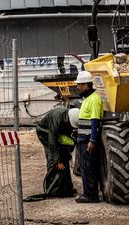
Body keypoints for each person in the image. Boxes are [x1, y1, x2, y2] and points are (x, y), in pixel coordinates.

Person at [25, 104, 76, 200]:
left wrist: (67, 151)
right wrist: (58, 161)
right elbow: (53, 142)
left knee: (64, 157)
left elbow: (66, 138)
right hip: (45, 132)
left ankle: (65, 188)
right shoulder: (57, 117)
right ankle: (52, 189)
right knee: (53, 159)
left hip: (57, 133)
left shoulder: (69, 118)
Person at [74, 70, 103, 203]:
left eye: (79, 84)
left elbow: (95, 122)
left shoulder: (95, 99)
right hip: (82, 139)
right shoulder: (87, 99)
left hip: (87, 141)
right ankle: (88, 193)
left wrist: (92, 140)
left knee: (89, 167)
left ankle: (91, 195)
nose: (77, 87)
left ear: (86, 85)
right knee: (85, 167)